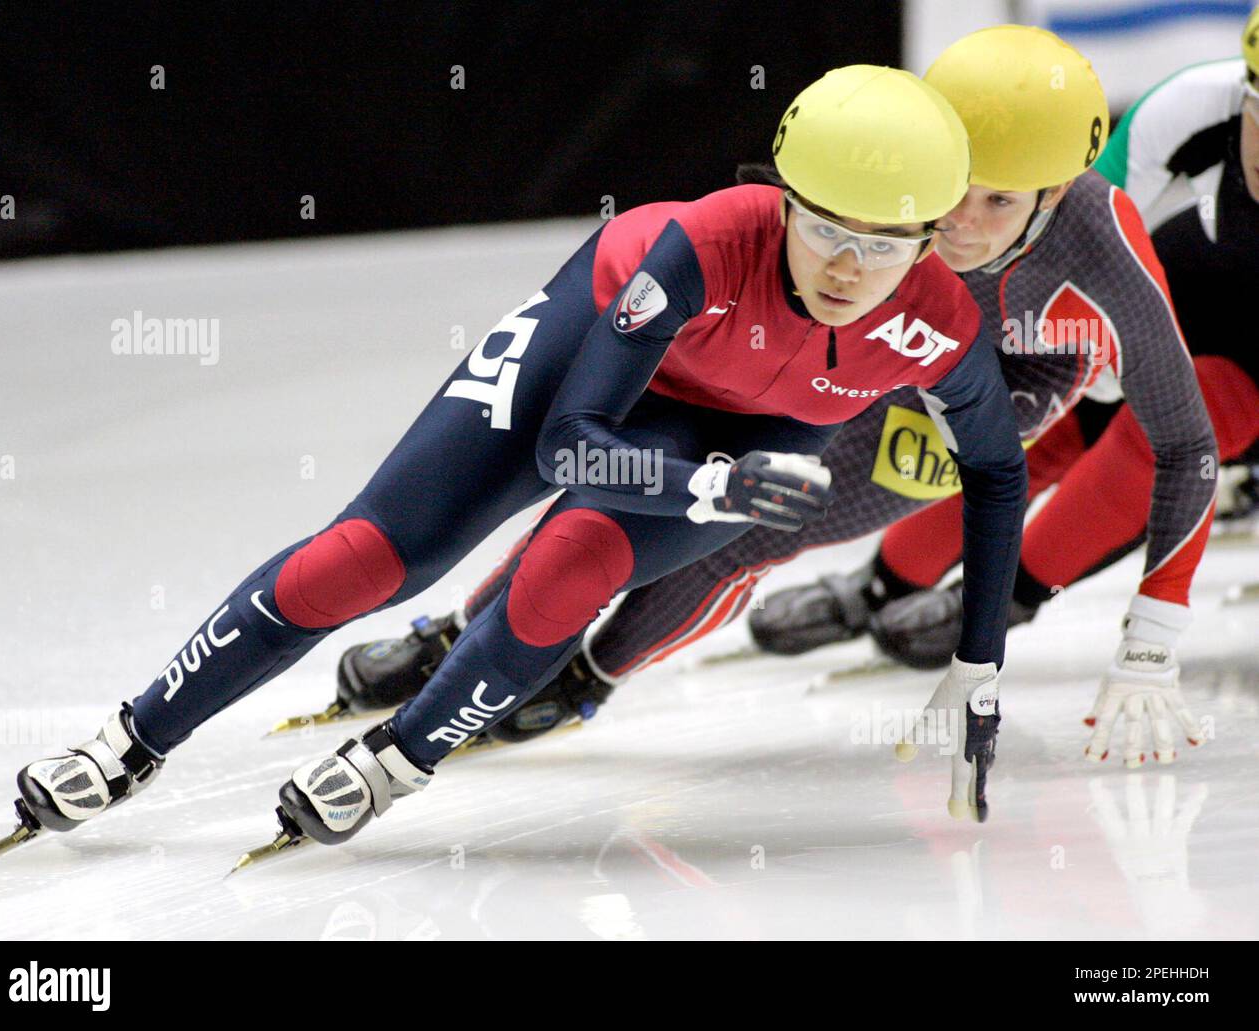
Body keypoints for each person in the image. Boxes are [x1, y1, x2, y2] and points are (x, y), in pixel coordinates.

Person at [0, 63, 1030, 867]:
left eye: (886, 243)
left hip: (735, 437)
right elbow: (568, 445)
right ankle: (132, 737)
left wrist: (977, 660)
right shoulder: (694, 250)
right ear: (781, 197)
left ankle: (402, 755)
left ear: (933, 239)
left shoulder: (936, 326)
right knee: (362, 560)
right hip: (589, 377)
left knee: (571, 562)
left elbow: (993, 472)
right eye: (823, 227)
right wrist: (708, 487)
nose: (850, 267)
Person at [335, 25, 1224, 773]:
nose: (958, 223)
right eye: (954, 185)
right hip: (868, 330)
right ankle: (464, 628)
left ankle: (590, 675)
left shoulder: (1107, 258)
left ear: (1058, 191)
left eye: (1000, 200)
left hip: (998, 376)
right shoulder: (895, 183)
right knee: (672, 470)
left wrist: (1149, 643)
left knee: (761, 523)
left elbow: (1187, 443)